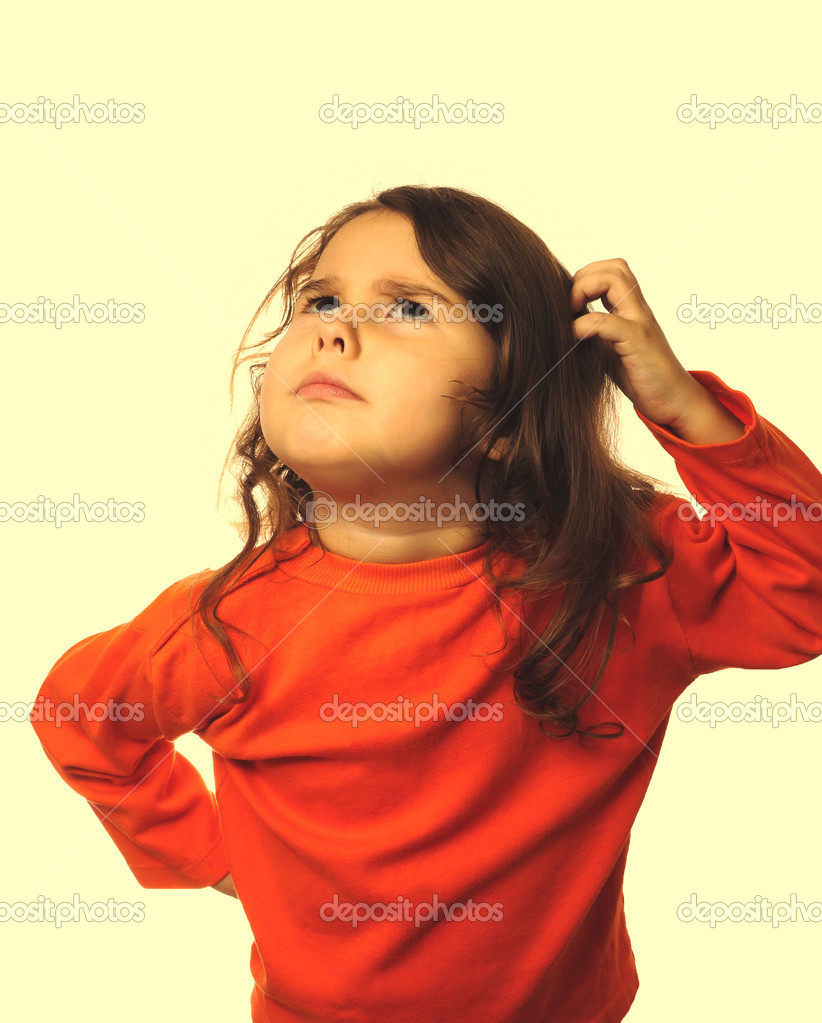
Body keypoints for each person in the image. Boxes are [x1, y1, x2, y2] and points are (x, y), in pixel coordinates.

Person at [30, 184, 822, 1022]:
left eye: (408, 307)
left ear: (514, 412)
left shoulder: (615, 571)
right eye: (320, 299)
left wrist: (678, 405)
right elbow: (81, 713)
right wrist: (212, 856)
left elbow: (802, 591)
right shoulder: (231, 624)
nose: (336, 327)